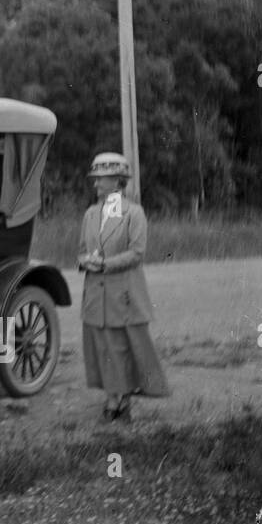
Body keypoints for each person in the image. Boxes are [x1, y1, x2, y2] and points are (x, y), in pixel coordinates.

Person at [77, 152, 170, 421]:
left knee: (123, 347)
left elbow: (137, 253)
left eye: (100, 179)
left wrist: (105, 264)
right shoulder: (91, 214)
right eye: (94, 179)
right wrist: (86, 261)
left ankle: (123, 401)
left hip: (124, 295)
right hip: (96, 294)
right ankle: (110, 398)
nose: (95, 184)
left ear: (117, 182)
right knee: (102, 348)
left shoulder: (134, 213)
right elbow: (81, 250)